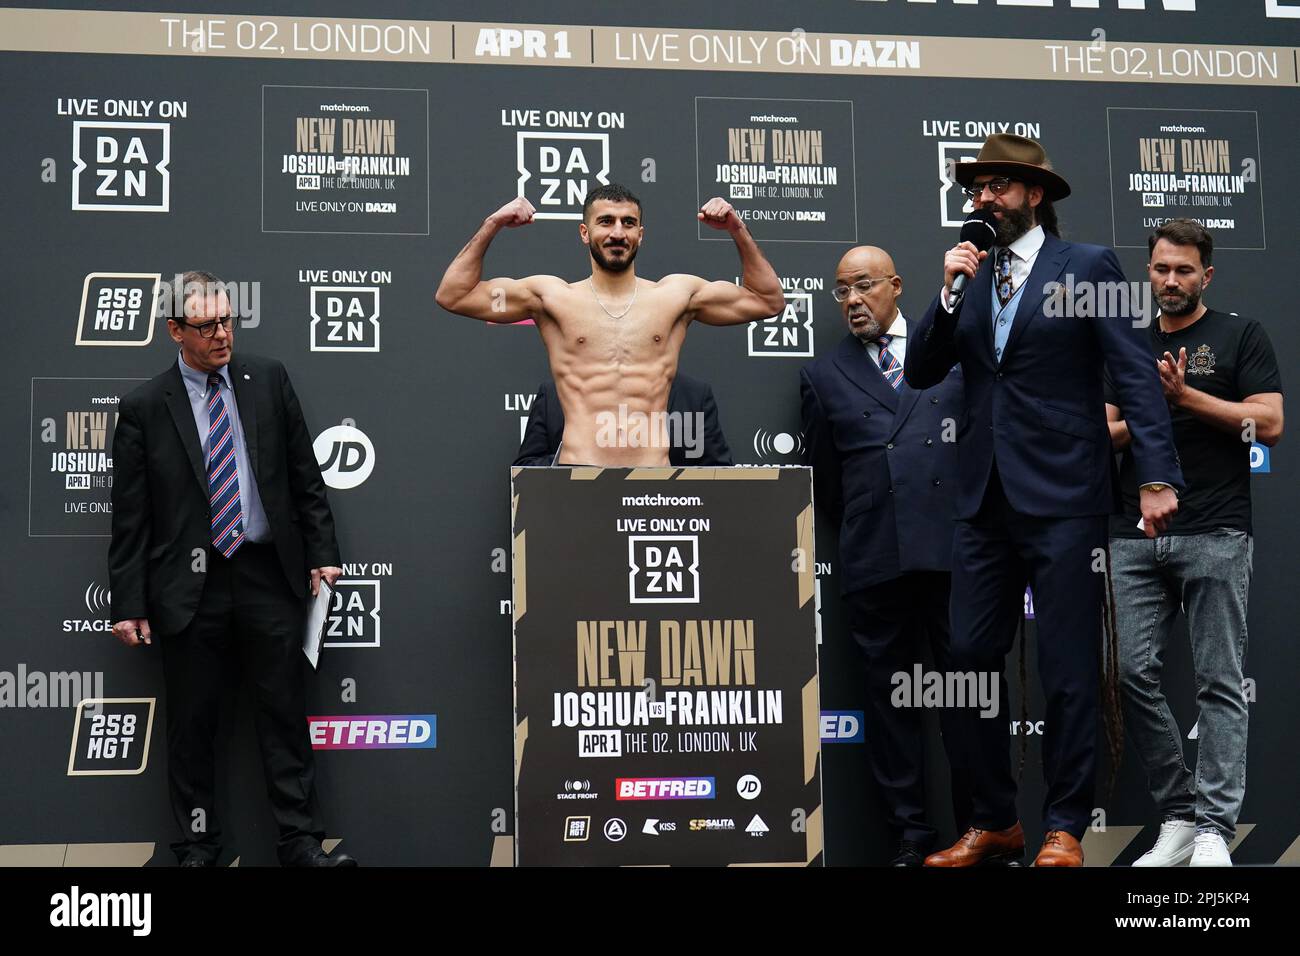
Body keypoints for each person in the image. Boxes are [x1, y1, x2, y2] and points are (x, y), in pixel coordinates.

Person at [905, 135, 1183, 867]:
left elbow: (1132, 372)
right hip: (981, 501)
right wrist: (945, 292)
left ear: (1035, 194)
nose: (983, 200)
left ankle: (1064, 827)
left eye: (998, 186)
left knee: (1065, 670)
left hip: (1064, 498)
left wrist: (1156, 476)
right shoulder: (968, 272)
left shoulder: (1085, 266)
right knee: (965, 662)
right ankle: (994, 819)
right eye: (977, 189)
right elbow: (921, 369)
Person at [108, 272, 353, 867]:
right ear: (174, 331)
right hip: (188, 589)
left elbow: (305, 478)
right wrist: (129, 602)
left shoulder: (267, 379)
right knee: (192, 729)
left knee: (283, 716)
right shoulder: (145, 407)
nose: (221, 334)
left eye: (227, 320)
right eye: (205, 325)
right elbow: (131, 516)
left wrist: (323, 553)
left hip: (267, 575)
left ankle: (300, 843)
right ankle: (198, 847)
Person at [1106, 220, 1283, 867]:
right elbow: (1105, 432)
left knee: (1219, 683)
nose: (1171, 280)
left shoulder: (1240, 335)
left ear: (1207, 275)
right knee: (1127, 672)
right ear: (1147, 273)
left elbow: (1268, 422)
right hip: (1133, 533)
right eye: (1160, 269)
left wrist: (1188, 397)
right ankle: (1179, 816)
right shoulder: (1126, 343)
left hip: (1215, 529)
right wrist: (1148, 409)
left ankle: (1214, 828)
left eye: (1184, 270)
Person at [800, 245, 970, 866]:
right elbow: (828, 478)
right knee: (891, 703)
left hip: (955, 553)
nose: (851, 300)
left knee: (968, 693)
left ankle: (983, 826)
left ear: (897, 286)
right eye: (841, 290)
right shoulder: (822, 374)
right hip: (875, 559)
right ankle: (911, 832)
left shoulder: (950, 349)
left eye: (864, 286)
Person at [436, 183, 784, 466]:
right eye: (606, 222)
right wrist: (493, 223)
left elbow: (768, 300)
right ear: (585, 233)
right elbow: (455, 294)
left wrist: (736, 229)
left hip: (651, 479)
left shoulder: (676, 296)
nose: (618, 232)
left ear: (641, 234)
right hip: (577, 480)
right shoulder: (551, 297)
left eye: (628, 223)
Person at [514, 373, 732, 467]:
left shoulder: (693, 395)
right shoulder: (554, 394)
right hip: (578, 530)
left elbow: (720, 476)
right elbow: (524, 471)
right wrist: (576, 454)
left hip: (663, 530)